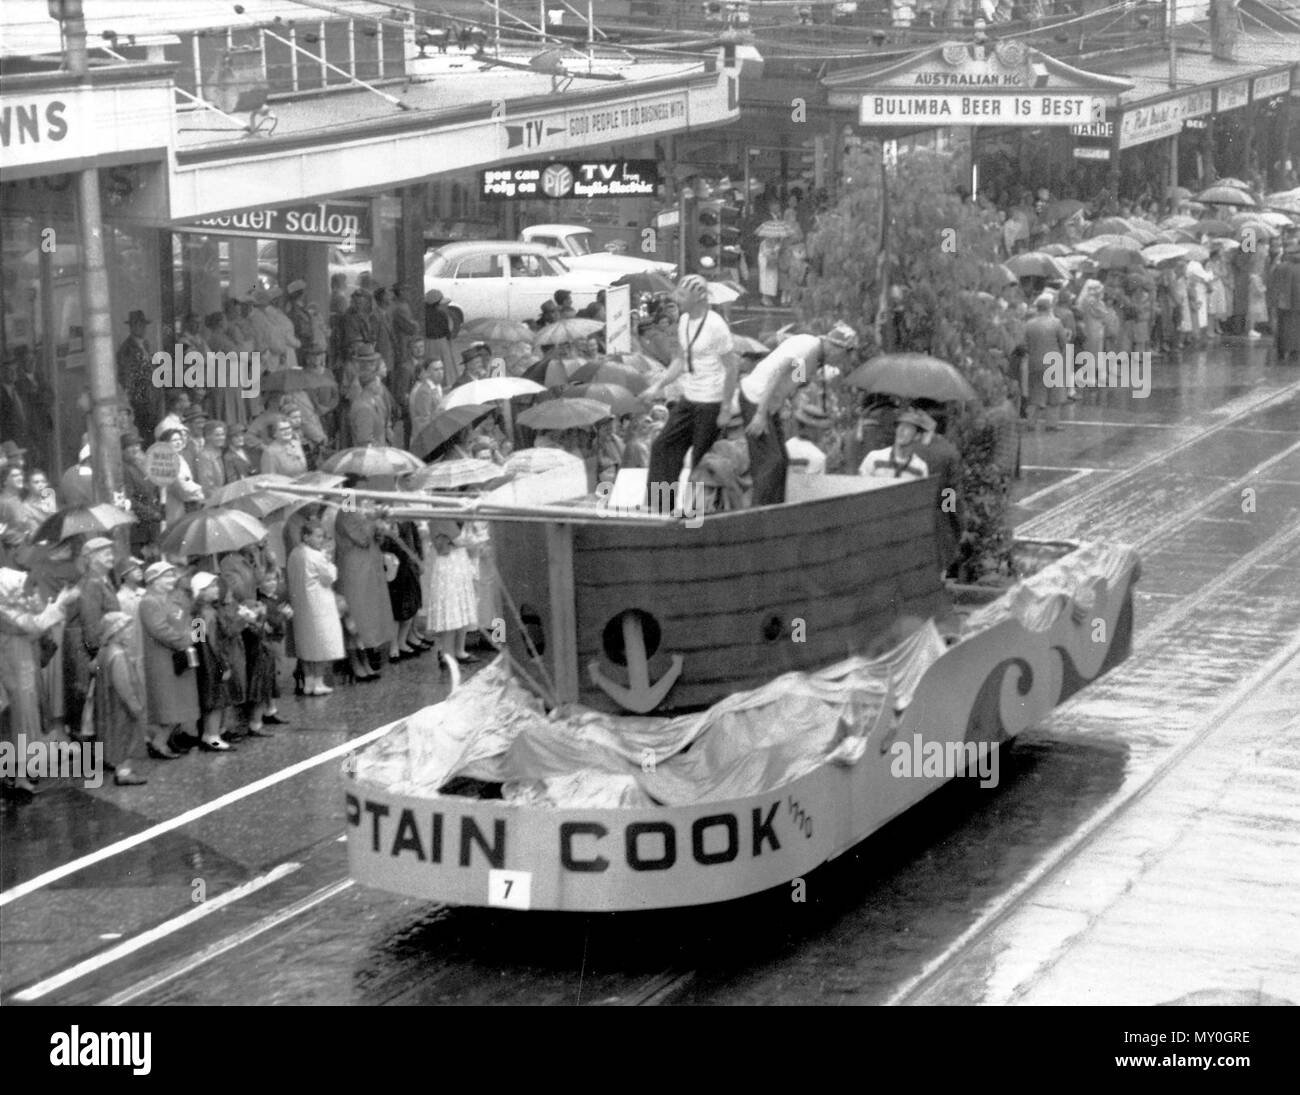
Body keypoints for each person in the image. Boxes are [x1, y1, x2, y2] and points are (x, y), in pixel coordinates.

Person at [641, 275, 738, 512]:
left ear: (699, 298)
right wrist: (657, 385)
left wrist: (725, 407)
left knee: (700, 458)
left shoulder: (716, 325)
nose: (677, 299)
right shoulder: (683, 321)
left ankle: (697, 511)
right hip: (689, 397)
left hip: (711, 401)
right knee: (663, 447)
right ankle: (660, 505)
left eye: (682, 295)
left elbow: (732, 367)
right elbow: (680, 361)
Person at [739, 321, 858, 505]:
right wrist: (760, 414)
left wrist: (787, 402)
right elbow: (777, 374)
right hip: (756, 399)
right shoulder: (807, 347)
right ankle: (758, 512)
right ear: (837, 349)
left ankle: (775, 508)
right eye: (842, 357)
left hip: (769, 406)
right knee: (772, 462)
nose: (839, 362)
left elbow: (793, 381)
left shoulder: (814, 357)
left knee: (782, 461)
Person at [0, 570, 78, 794]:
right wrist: (60, 603)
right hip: (12, 677)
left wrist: (49, 608)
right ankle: (16, 777)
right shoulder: (4, 612)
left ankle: (18, 775)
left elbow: (33, 630)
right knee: (18, 724)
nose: (21, 590)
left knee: (22, 724)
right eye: (17, 586)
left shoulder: (10, 609)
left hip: (21, 674)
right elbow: (32, 626)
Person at [138, 561, 200, 759]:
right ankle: (159, 743)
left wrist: (192, 633)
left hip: (178, 656)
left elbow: (189, 619)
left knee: (179, 701)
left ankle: (167, 740)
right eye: (166, 576)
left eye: (172, 576)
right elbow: (159, 630)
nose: (172, 580)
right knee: (169, 703)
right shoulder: (149, 602)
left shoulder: (174, 598)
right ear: (153, 580)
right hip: (162, 659)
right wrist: (185, 640)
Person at [63, 536, 121, 740]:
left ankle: (98, 755)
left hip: (98, 648)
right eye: (104, 553)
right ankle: (89, 760)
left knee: (95, 703)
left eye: (111, 552)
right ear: (90, 558)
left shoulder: (102, 581)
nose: (111, 556)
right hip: (91, 652)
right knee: (89, 703)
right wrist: (97, 654)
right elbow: (91, 623)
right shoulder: (91, 583)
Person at [335, 487, 396, 679]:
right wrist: (374, 520)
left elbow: (372, 536)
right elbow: (360, 536)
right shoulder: (347, 507)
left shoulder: (359, 508)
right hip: (355, 569)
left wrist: (379, 525)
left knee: (369, 614)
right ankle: (355, 663)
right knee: (357, 615)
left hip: (369, 568)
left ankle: (366, 660)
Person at [287, 519, 344, 696]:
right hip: (319, 605)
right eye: (318, 536)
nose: (321, 540)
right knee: (320, 644)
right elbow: (328, 577)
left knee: (305, 645)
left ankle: (309, 682)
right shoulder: (316, 556)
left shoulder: (295, 553)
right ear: (306, 536)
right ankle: (318, 682)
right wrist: (329, 562)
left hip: (300, 604)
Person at [95, 612, 148, 786]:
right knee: (125, 737)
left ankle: (121, 769)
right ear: (115, 631)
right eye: (126, 628)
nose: (130, 632)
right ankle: (124, 772)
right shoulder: (118, 655)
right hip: (121, 707)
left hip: (112, 704)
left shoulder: (106, 651)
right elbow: (123, 684)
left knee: (118, 736)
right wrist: (134, 704)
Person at [189, 571, 236, 751]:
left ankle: (209, 734)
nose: (216, 590)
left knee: (211, 699)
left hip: (205, 661)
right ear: (201, 591)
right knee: (216, 701)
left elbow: (198, 639)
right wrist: (222, 664)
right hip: (213, 661)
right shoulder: (208, 613)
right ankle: (213, 736)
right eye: (211, 587)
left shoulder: (198, 613)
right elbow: (212, 642)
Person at [422, 519, 477, 666]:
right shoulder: (441, 517)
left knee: (460, 609)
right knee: (451, 612)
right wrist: (476, 539)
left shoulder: (449, 516)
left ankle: (459, 650)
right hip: (450, 565)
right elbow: (459, 540)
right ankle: (448, 653)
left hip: (458, 562)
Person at [1022, 292, 1069, 431]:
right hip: (1053, 363)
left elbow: (1024, 344)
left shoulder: (1029, 324)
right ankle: (1052, 424)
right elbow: (1063, 343)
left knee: (1035, 395)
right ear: (1050, 308)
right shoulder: (1056, 323)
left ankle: (1031, 423)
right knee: (1054, 396)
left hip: (1034, 363)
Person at [859, 407, 932, 481]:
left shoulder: (920, 467)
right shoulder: (875, 458)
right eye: (899, 426)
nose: (901, 430)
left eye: (907, 427)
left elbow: (922, 491)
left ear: (917, 436)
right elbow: (861, 487)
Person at [116, 309, 157, 431]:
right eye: (139, 325)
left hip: (150, 397)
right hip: (139, 400)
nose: (143, 328)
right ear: (132, 327)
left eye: (144, 325)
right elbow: (127, 377)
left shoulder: (145, 344)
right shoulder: (126, 349)